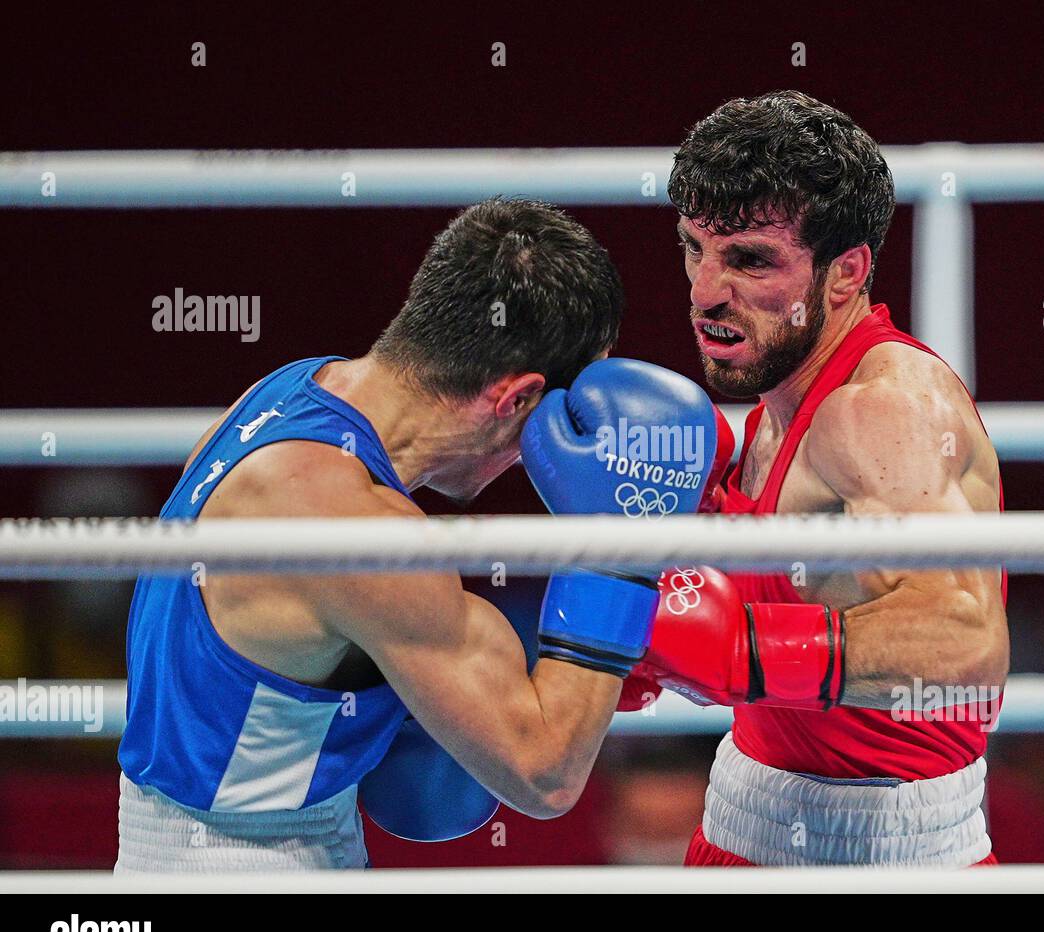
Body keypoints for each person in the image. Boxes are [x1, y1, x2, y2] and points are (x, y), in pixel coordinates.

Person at [116, 197, 716, 872]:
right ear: (515, 399)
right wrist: (620, 553)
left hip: (192, 843)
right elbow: (546, 773)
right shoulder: (362, 534)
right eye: (548, 420)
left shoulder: (286, 392)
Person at [623, 91, 1010, 867]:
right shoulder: (771, 406)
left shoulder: (880, 408)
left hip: (886, 851)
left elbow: (966, 640)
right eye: (694, 247)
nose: (704, 291)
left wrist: (748, 652)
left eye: (751, 260)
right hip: (741, 814)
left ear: (846, 274)